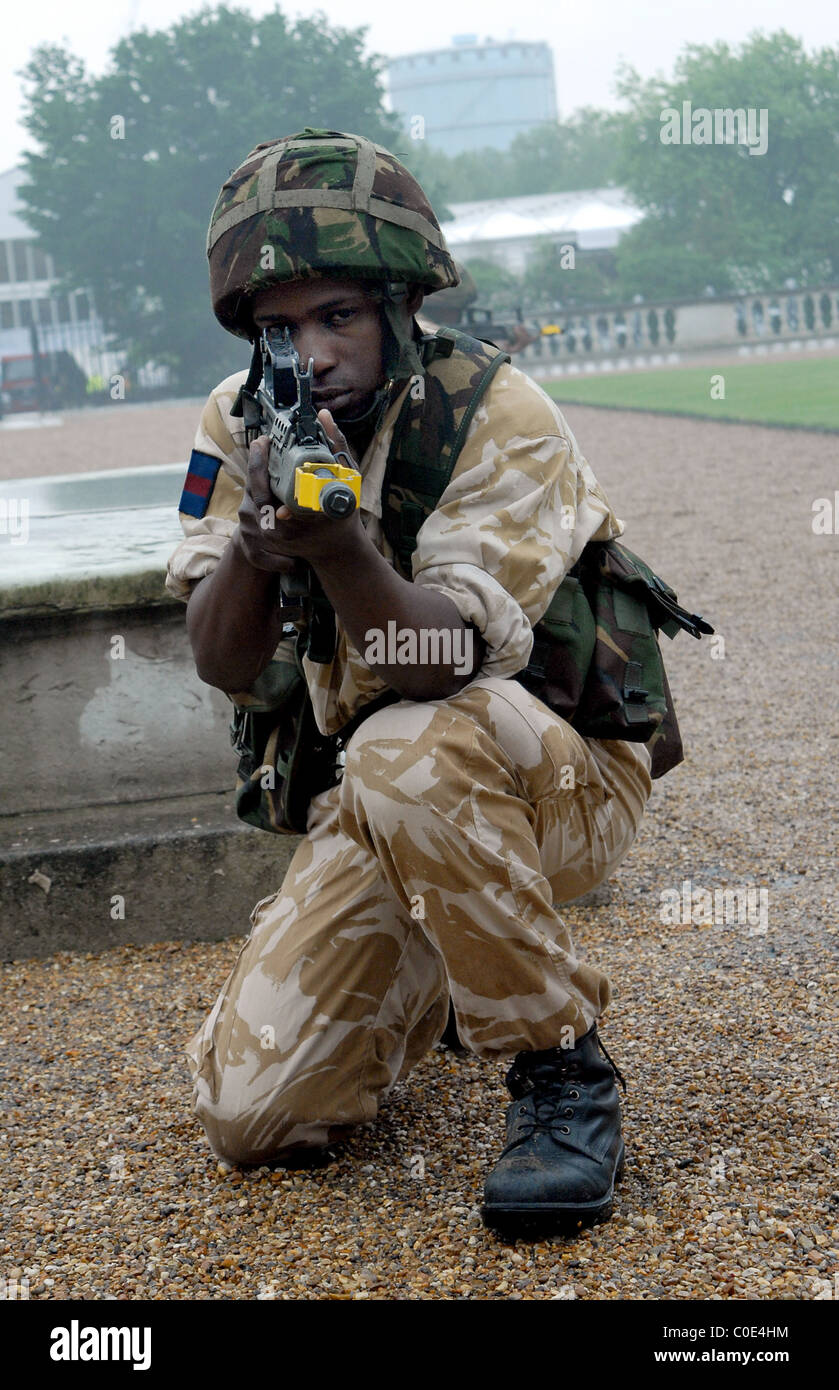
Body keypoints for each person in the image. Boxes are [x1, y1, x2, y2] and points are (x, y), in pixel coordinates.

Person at [165, 129, 652, 1236]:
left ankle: (560, 1075)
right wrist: (254, 542)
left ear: (397, 305)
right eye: (281, 328)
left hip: (553, 779)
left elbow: (440, 661)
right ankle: (442, 962)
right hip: (380, 804)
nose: (312, 352)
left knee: (407, 739)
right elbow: (220, 662)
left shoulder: (494, 411)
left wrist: (339, 545)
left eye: (337, 315)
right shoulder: (230, 426)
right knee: (254, 1119)